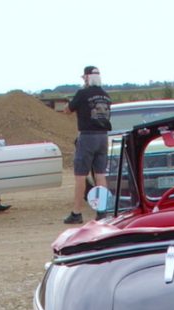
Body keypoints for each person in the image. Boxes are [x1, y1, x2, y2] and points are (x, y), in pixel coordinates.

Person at [64, 65, 112, 224]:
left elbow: (68, 110)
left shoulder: (82, 94)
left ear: (87, 77)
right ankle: (102, 211)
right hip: (103, 137)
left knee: (80, 175)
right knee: (100, 175)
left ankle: (76, 212)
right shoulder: (106, 95)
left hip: (87, 137)